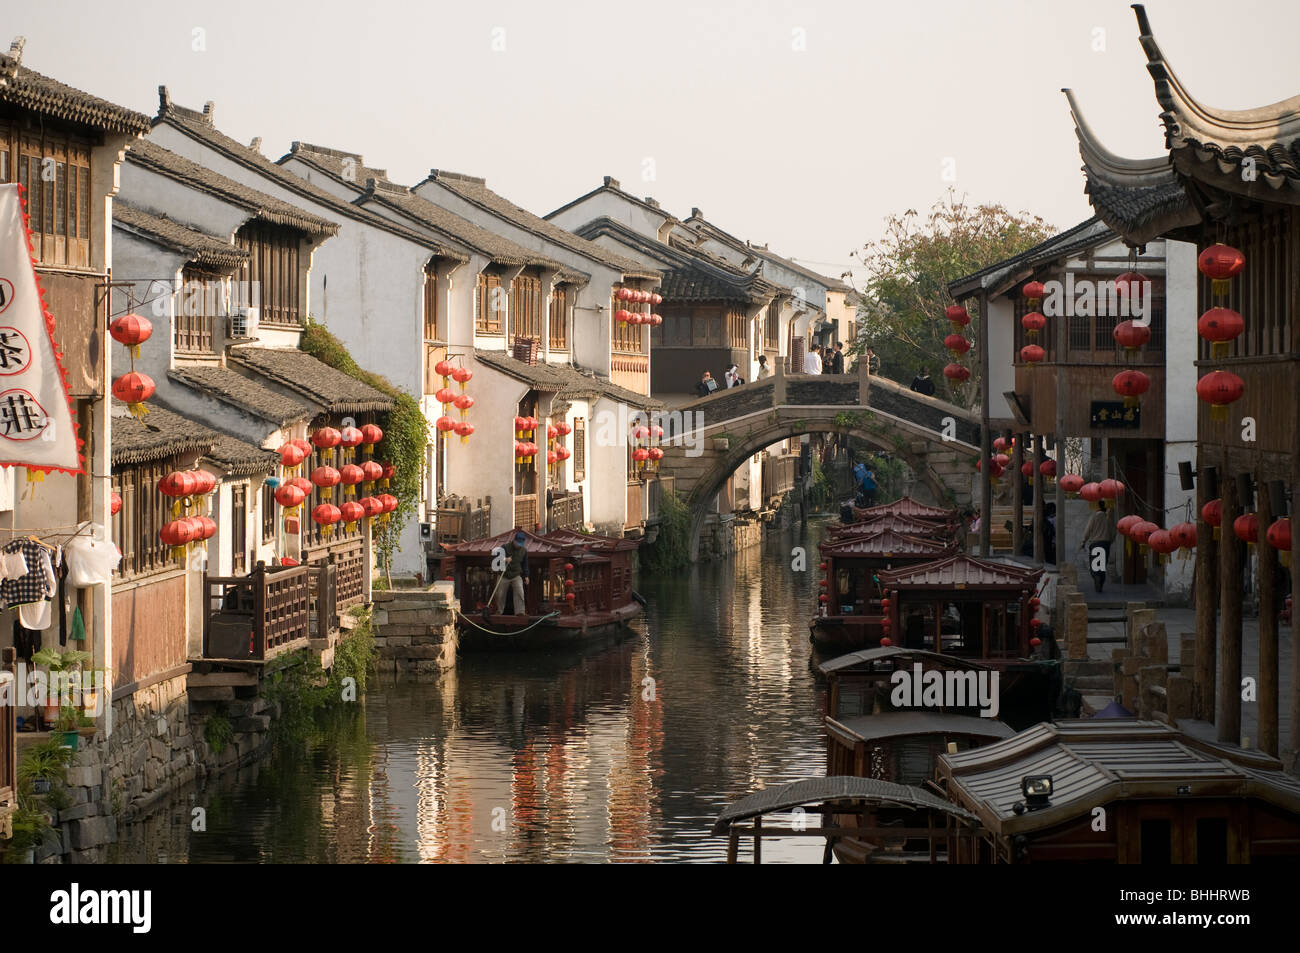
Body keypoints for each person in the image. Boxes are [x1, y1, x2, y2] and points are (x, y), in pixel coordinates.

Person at [1080, 499, 1116, 592]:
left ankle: (1096, 577)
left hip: (1095, 544)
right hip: (1105, 544)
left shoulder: (1094, 517)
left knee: (1094, 565)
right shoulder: (1109, 519)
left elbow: (1088, 529)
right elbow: (1113, 532)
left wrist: (1083, 542)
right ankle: (1100, 584)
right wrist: (1110, 541)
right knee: (1102, 565)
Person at [491, 530, 530, 615]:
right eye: (518, 543)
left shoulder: (524, 551)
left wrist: (526, 576)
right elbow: (496, 559)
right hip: (504, 574)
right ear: (514, 540)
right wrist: (505, 559)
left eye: (521, 543)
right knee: (500, 594)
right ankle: (499, 611)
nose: (519, 545)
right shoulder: (504, 547)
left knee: (520, 592)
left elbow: (525, 564)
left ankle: (520, 612)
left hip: (516, 574)